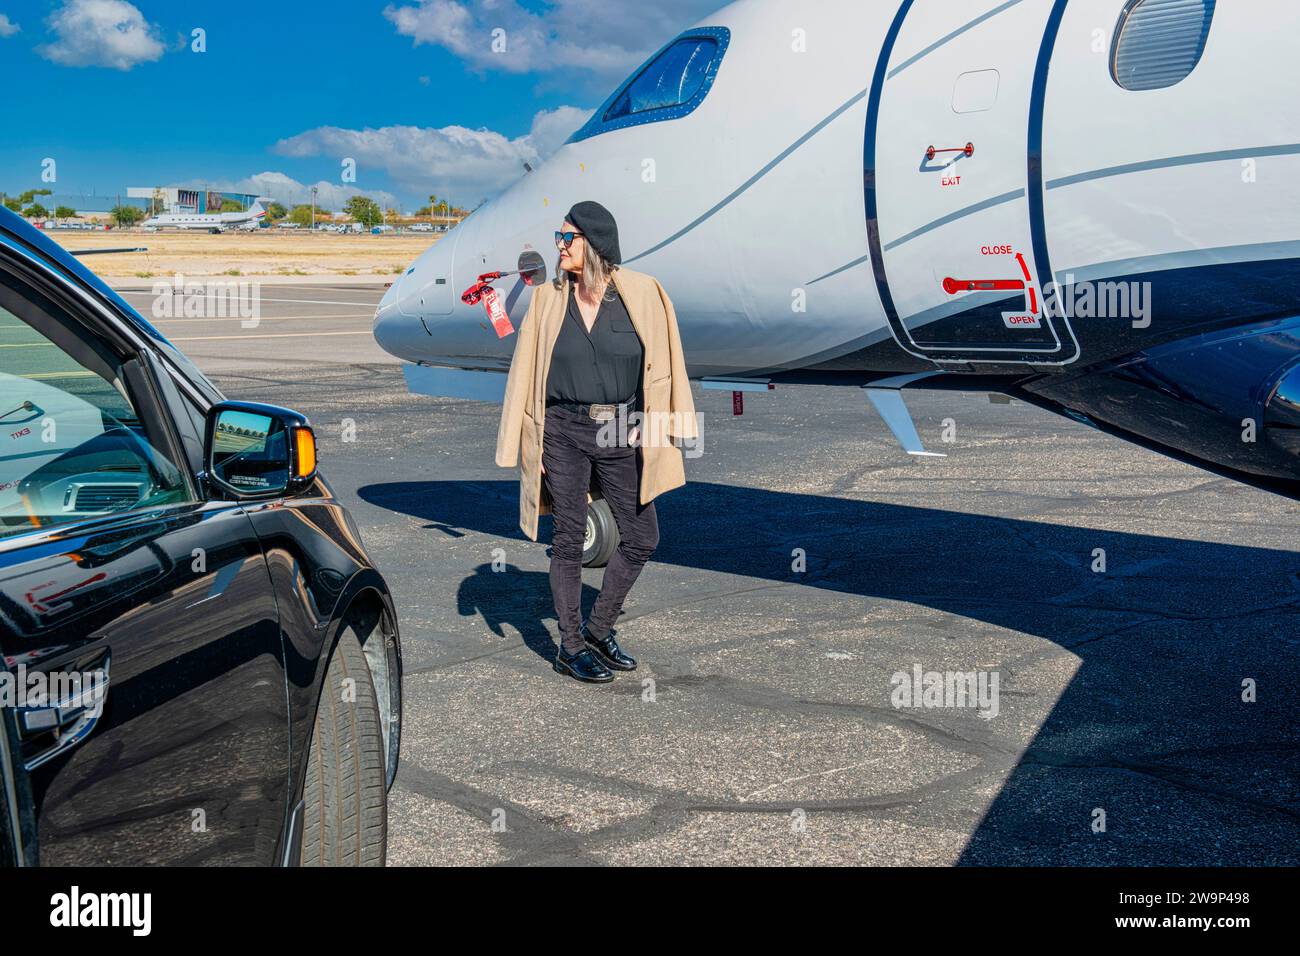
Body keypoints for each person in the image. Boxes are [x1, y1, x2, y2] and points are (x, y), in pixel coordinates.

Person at [495, 200, 698, 683]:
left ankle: (600, 628)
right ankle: (570, 646)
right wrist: (534, 441)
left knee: (643, 536)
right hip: (562, 430)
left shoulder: (643, 295)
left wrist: (648, 421)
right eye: (559, 237)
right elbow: (527, 375)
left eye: (568, 238)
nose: (559, 246)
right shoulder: (547, 300)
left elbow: (664, 364)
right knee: (567, 539)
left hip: (618, 428)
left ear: (594, 244)